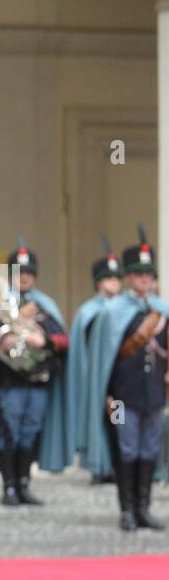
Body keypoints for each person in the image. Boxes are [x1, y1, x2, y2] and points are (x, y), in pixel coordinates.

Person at [0, 240, 69, 505]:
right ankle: (8, 486)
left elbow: (62, 341)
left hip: (37, 380)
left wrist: (42, 339)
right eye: (19, 272)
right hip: (8, 382)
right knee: (10, 432)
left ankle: (24, 484)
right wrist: (4, 341)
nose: (24, 277)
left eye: (28, 273)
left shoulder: (44, 306)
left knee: (30, 431)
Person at [86, 227, 168, 530]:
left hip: (153, 394)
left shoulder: (161, 311)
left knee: (149, 450)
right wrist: (106, 394)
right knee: (126, 448)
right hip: (120, 396)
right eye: (138, 274)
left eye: (148, 273)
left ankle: (144, 507)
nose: (144, 279)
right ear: (129, 277)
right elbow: (105, 359)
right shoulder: (113, 312)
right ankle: (127, 509)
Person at [69, 240, 124, 481]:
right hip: (94, 376)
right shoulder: (88, 311)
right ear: (98, 282)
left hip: (118, 380)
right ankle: (98, 465)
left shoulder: (125, 310)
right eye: (108, 278)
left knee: (118, 421)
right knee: (98, 419)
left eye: (116, 278)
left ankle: (118, 463)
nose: (114, 283)